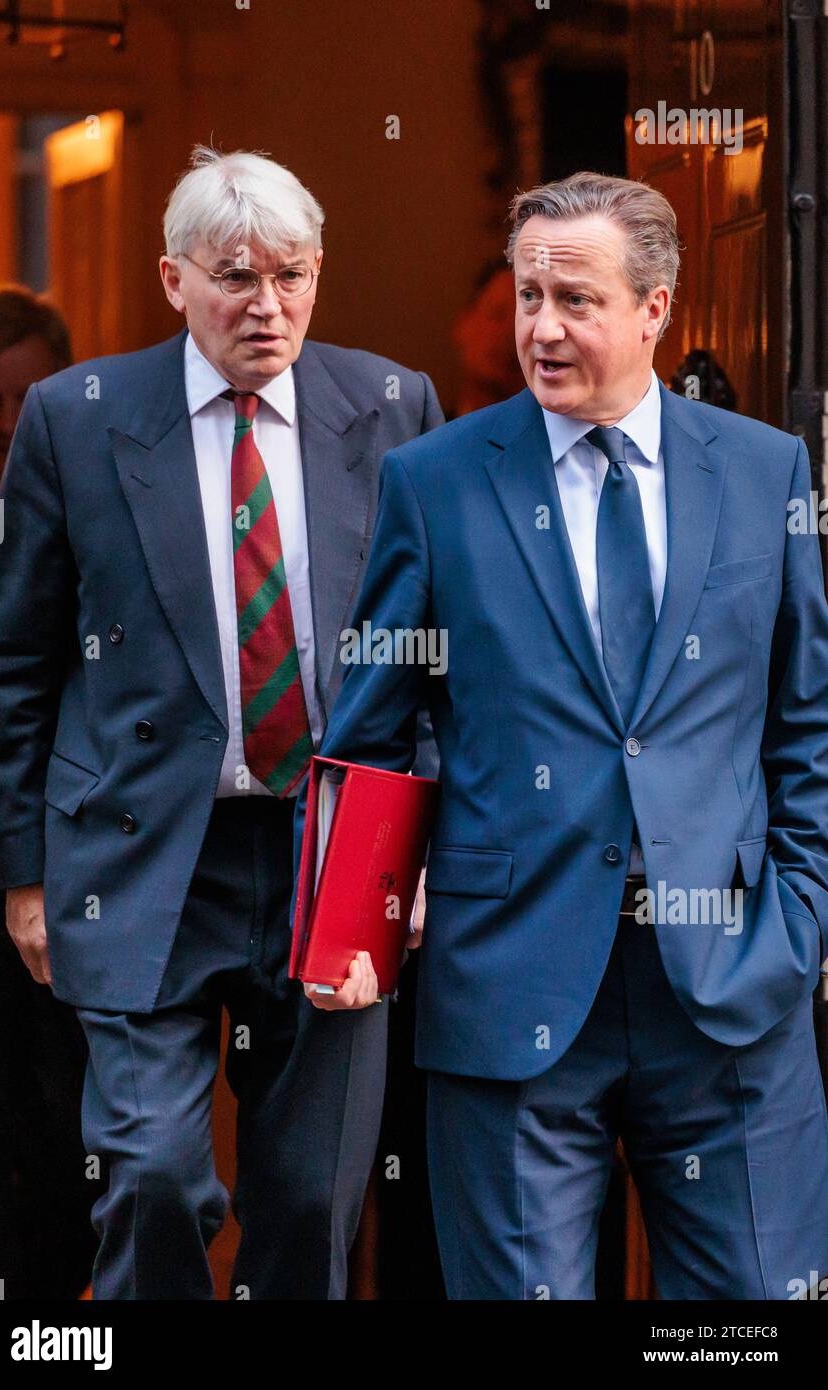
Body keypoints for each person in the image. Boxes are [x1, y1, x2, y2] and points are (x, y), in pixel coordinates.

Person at [293, 171, 828, 1299]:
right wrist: (354, 921)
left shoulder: (763, 470)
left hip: (731, 983)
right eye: (529, 294)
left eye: (575, 299)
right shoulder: (434, 482)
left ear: (656, 308)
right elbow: (375, 724)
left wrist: (802, 911)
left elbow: (804, 719)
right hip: (511, 982)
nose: (541, 326)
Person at [0, 146, 443, 1300]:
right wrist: (25, 874)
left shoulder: (389, 406)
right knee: (148, 1173)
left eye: (293, 274)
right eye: (236, 277)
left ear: (320, 273)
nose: (268, 305)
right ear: (175, 280)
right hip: (137, 848)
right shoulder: (76, 419)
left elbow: (435, 655)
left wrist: (409, 852)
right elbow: (22, 662)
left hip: (328, 846)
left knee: (309, 1196)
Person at [0, 285, 101, 1298]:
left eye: (26, 396)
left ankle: (54, 1312)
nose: (5, 423)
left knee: (70, 1107)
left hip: (74, 839)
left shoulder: (97, 501)